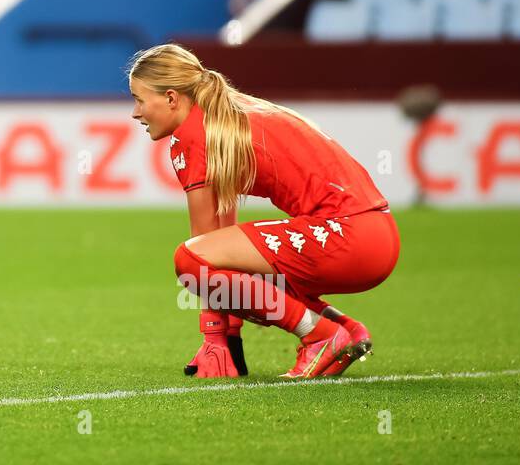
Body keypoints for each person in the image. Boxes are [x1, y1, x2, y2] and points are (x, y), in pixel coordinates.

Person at [128, 43, 399, 379]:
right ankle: (343, 329)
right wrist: (228, 339)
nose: (135, 113)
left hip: (346, 236)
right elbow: (219, 247)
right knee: (226, 263)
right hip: (375, 235)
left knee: (188, 260)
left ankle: (320, 337)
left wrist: (214, 338)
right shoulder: (228, 113)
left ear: (171, 98)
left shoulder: (193, 135)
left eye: (139, 100)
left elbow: (201, 252)